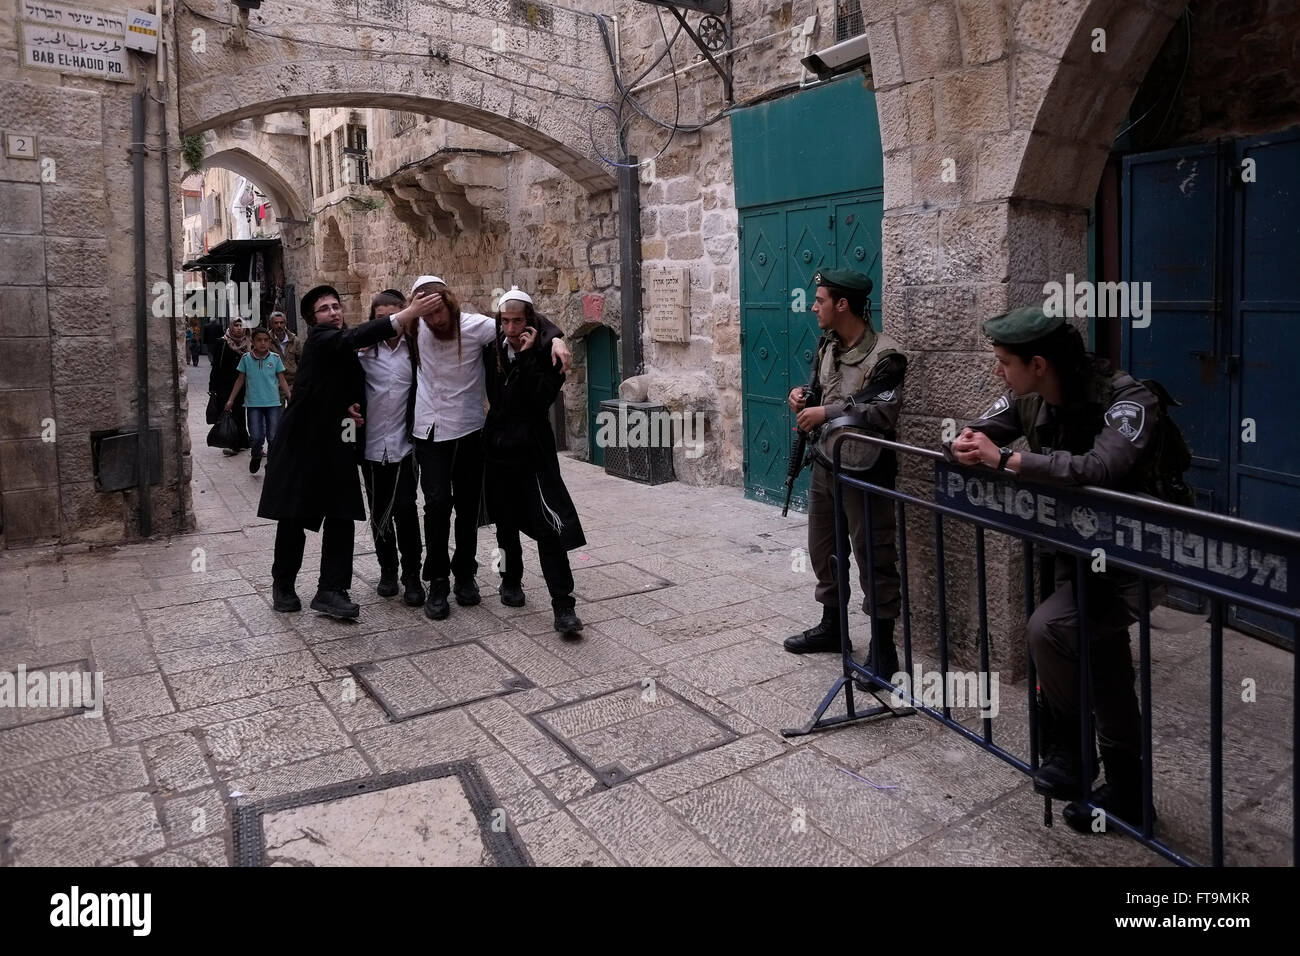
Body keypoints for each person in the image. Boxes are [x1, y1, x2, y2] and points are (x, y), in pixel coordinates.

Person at [951, 305, 1179, 834]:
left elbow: (1101, 468)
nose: (996, 372)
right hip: (1072, 551)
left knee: (1051, 629)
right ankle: (1125, 791)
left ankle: (1074, 756)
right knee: (1103, 660)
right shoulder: (1028, 394)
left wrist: (1006, 461)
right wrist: (963, 443)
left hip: (1131, 554)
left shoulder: (1127, 399)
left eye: (1004, 362)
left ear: (1037, 363)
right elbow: (981, 428)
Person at [257, 284, 438, 620]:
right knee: (294, 517)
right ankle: (283, 583)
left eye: (336, 305)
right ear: (314, 319)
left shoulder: (346, 348)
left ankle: (332, 590)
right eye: (325, 309)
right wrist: (407, 314)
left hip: (338, 444)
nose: (333, 312)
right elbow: (348, 340)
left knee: (341, 516)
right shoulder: (321, 340)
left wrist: (349, 406)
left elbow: (344, 384)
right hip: (303, 445)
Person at [408, 275, 571, 621]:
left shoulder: (498, 338)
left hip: (509, 444)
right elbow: (375, 331)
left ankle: (474, 577)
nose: (511, 328)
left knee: (529, 522)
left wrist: (554, 338)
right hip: (461, 440)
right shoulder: (422, 331)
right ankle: (452, 580)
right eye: (426, 313)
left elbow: (540, 392)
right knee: (448, 509)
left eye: (518, 321)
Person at [782, 268, 907, 683]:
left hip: (867, 469)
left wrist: (825, 412)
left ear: (842, 305)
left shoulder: (887, 355)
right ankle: (834, 628)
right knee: (824, 550)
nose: (813, 307)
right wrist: (804, 397)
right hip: (826, 462)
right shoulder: (828, 345)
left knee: (875, 556)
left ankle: (883, 650)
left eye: (820, 300)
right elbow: (824, 391)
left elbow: (880, 408)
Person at [484, 287, 585, 634]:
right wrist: (550, 333)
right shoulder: (491, 348)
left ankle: (563, 605)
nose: (510, 328)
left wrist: (533, 353)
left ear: (530, 323)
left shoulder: (549, 356)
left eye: (518, 321)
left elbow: (539, 399)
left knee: (550, 528)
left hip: (533, 453)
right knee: (504, 525)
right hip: (498, 450)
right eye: (505, 320)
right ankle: (510, 579)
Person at [357, 290, 425, 607]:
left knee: (406, 511)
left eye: (394, 315)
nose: (388, 322)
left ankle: (412, 575)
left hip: (403, 447)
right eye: (380, 317)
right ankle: (388, 570)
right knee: (379, 513)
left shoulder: (418, 349)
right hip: (371, 448)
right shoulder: (363, 352)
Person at [225, 327, 290, 474]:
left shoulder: (275, 358)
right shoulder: (246, 359)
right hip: (254, 404)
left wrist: (290, 397)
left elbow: (282, 380)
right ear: (253, 342)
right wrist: (230, 400)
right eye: (259, 340)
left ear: (269, 342)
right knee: (256, 436)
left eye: (266, 340)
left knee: (273, 436)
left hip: (273, 403)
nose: (263, 343)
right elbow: (240, 380)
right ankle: (256, 455)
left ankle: (271, 464)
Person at [208, 316, 251, 455]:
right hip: (225, 384)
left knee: (240, 412)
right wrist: (212, 387)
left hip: (244, 383)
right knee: (230, 411)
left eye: (241, 325)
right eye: (236, 325)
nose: (239, 328)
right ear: (231, 327)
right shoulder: (222, 343)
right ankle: (234, 443)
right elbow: (216, 366)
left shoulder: (249, 343)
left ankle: (242, 441)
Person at [268, 310, 302, 392]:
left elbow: (301, 362)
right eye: (276, 323)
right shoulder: (267, 341)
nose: (279, 326)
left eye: (281, 322)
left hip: (293, 383)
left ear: (285, 323)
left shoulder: (294, 340)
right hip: (275, 384)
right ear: (271, 324)